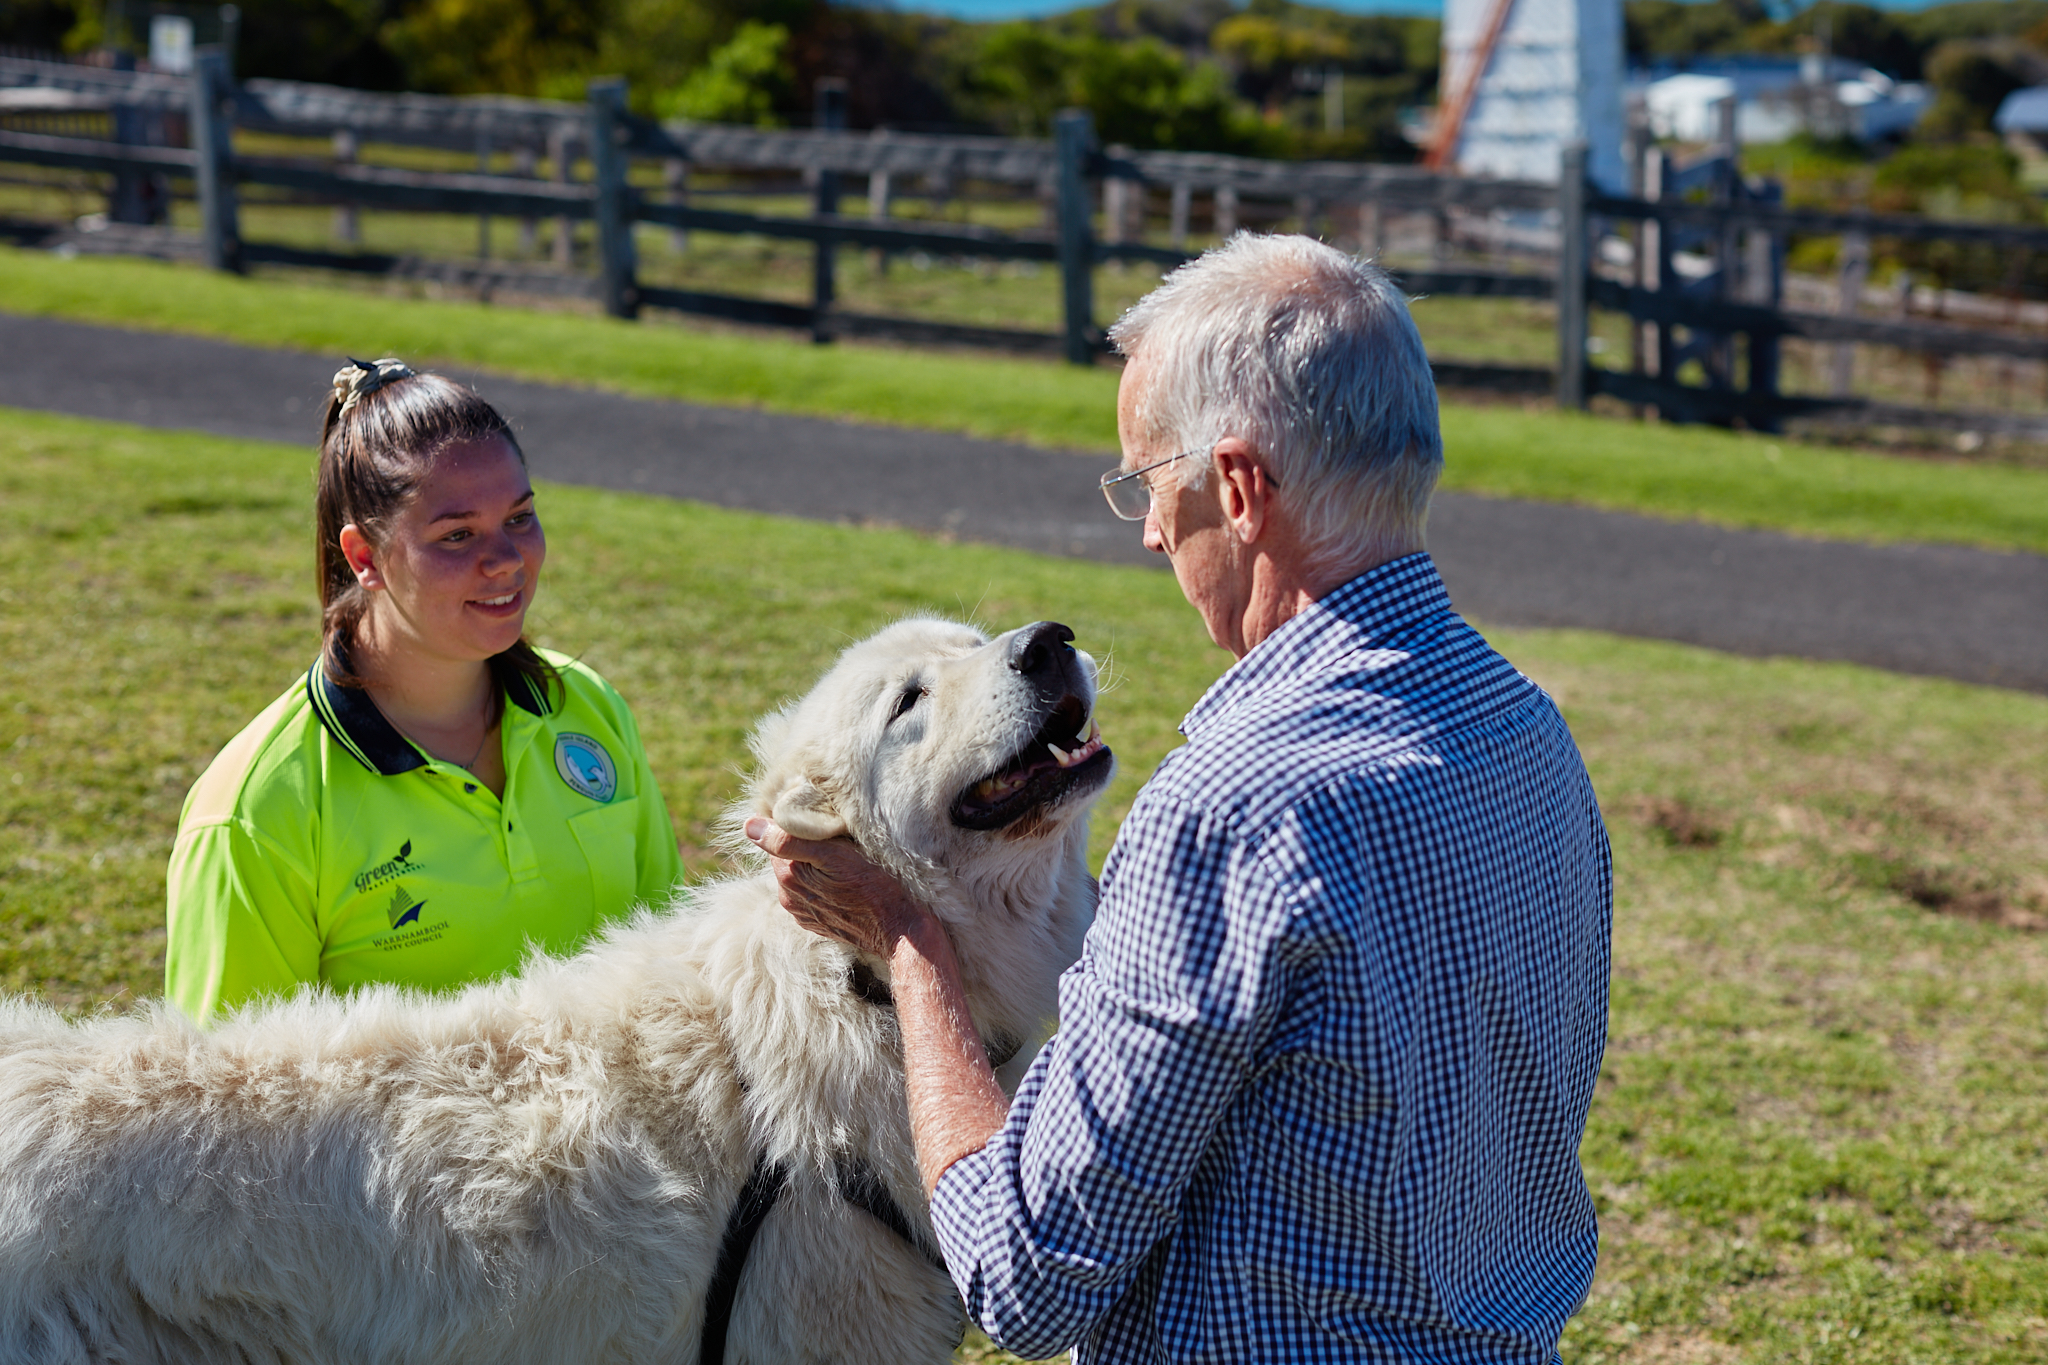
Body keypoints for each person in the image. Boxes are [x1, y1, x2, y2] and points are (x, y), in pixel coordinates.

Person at [746, 234, 1613, 1363]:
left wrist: (907, 944)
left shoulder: (1235, 805)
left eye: (1151, 482)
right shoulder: (1525, 734)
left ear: (1241, 489)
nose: (1152, 529)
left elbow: (1022, 1277)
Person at [166, 358, 682, 1022]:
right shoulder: (253, 813)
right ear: (363, 557)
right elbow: (231, 1101)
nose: (505, 559)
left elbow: (670, 963)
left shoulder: (588, 707)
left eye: (520, 518)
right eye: (457, 534)